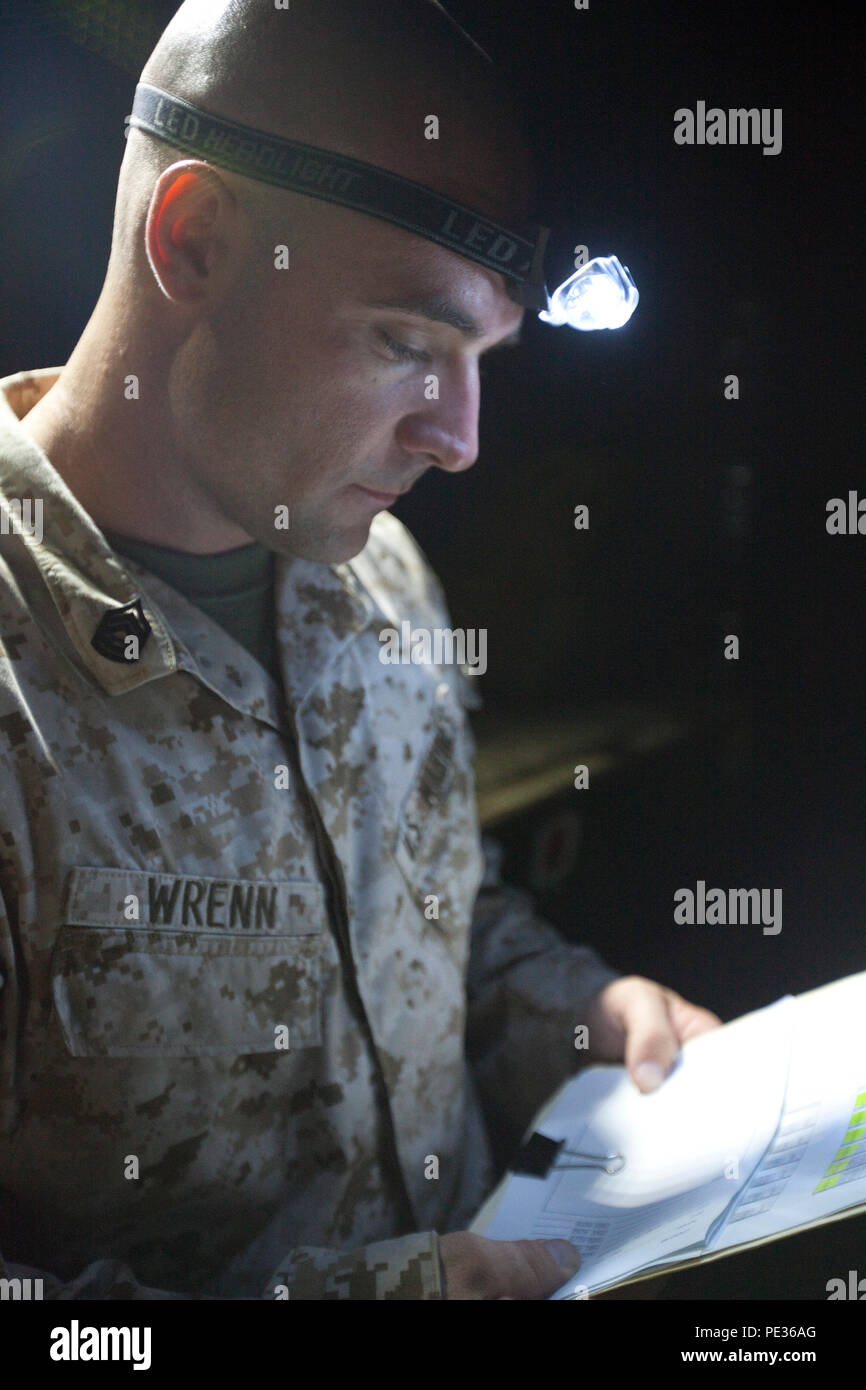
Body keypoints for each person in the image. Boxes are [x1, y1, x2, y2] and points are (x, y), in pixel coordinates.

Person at [0, 0, 720, 1300]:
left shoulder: (377, 574)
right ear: (198, 239)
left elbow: (437, 908)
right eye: (405, 343)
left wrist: (573, 1011)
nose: (461, 439)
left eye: (482, 360)